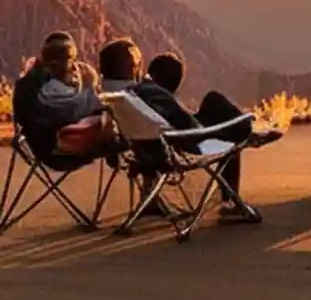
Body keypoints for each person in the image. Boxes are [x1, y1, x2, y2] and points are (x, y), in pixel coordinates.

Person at [97, 39, 281, 222]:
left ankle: (247, 134)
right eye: (138, 61)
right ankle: (233, 196)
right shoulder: (145, 90)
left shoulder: (109, 94)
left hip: (143, 148)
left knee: (210, 107)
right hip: (185, 143)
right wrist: (207, 129)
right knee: (215, 102)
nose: (141, 65)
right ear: (130, 66)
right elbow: (188, 125)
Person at [12, 32, 112, 161]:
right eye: (70, 60)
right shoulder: (49, 91)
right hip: (56, 151)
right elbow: (79, 107)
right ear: (54, 65)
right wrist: (96, 89)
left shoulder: (39, 84)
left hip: (46, 145)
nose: (75, 67)